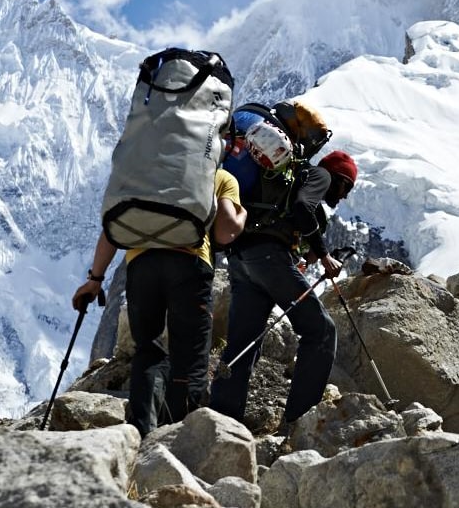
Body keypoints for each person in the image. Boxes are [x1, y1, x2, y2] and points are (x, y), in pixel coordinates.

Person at [73, 169, 247, 437]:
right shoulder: (219, 175)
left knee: (148, 350)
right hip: (189, 262)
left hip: (141, 264)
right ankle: (178, 439)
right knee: (189, 357)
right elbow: (225, 233)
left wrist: (95, 279)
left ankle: (142, 434)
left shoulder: (146, 172)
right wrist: (242, 215)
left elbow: (113, 227)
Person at [210, 150, 358, 427]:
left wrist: (315, 255)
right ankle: (298, 423)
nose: (344, 195)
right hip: (268, 258)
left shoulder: (295, 179)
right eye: (346, 186)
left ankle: (220, 420)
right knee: (321, 331)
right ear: (337, 177)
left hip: (242, 260)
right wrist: (325, 256)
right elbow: (302, 207)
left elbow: (295, 223)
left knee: (243, 341)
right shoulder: (321, 175)